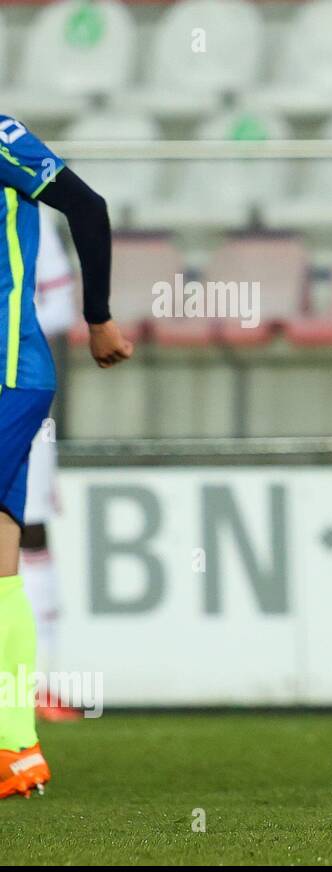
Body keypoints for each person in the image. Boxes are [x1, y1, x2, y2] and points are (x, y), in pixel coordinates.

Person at [0, 114, 132, 800]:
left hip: (8, 373)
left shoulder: (0, 135)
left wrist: (99, 315)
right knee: (1, 562)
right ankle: (16, 750)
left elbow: (87, 204)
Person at [25, 206, 80, 722]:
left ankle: (40, 681)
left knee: (30, 531)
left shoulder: (27, 208)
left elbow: (62, 305)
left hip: (20, 390)